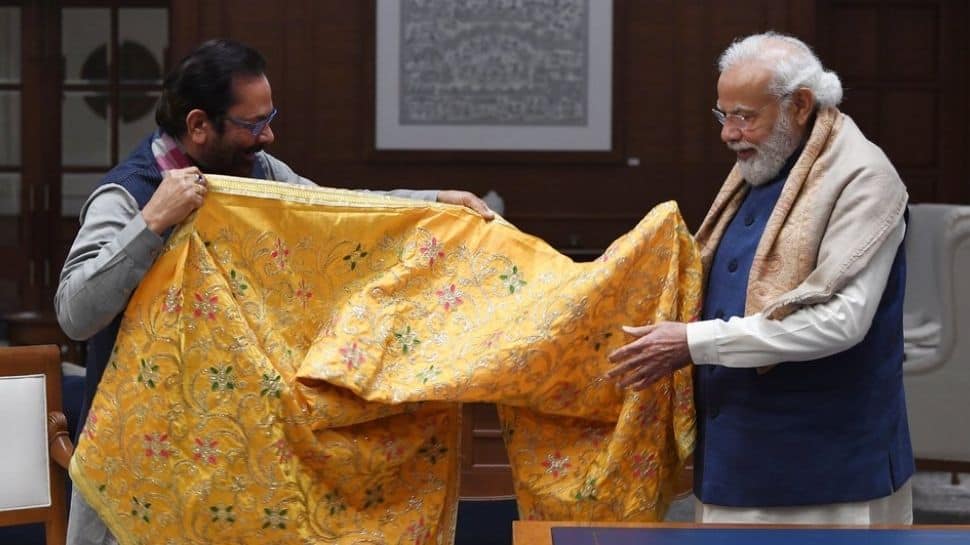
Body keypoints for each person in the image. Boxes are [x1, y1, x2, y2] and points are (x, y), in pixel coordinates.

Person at [55, 38, 493, 545]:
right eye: (252, 124)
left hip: (242, 465)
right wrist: (152, 222)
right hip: (139, 467)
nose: (269, 135)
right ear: (199, 125)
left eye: (270, 116)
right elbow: (74, 314)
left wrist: (436, 204)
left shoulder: (261, 176)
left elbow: (339, 215)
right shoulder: (127, 195)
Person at [606, 32, 913, 525]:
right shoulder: (766, 166)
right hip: (735, 461)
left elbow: (842, 323)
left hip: (829, 476)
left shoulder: (863, 178)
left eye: (745, 117)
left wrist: (694, 342)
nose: (729, 133)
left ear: (800, 106)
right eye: (722, 115)